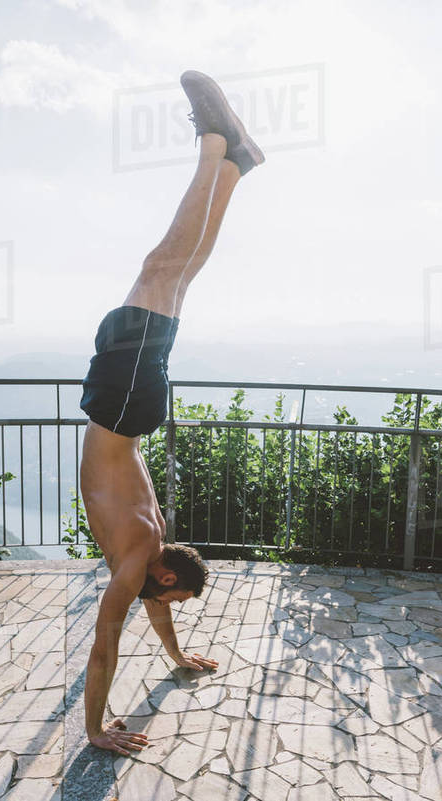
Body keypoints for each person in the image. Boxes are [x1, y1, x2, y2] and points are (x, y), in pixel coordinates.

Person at [77, 69, 264, 756]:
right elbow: (105, 645)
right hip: (121, 407)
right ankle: (218, 148)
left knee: (174, 276)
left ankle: (234, 162)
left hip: (129, 407)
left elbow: (149, 614)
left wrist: (178, 658)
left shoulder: (153, 544)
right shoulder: (134, 558)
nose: (166, 604)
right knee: (163, 269)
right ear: (162, 574)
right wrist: (96, 727)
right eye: (173, 595)